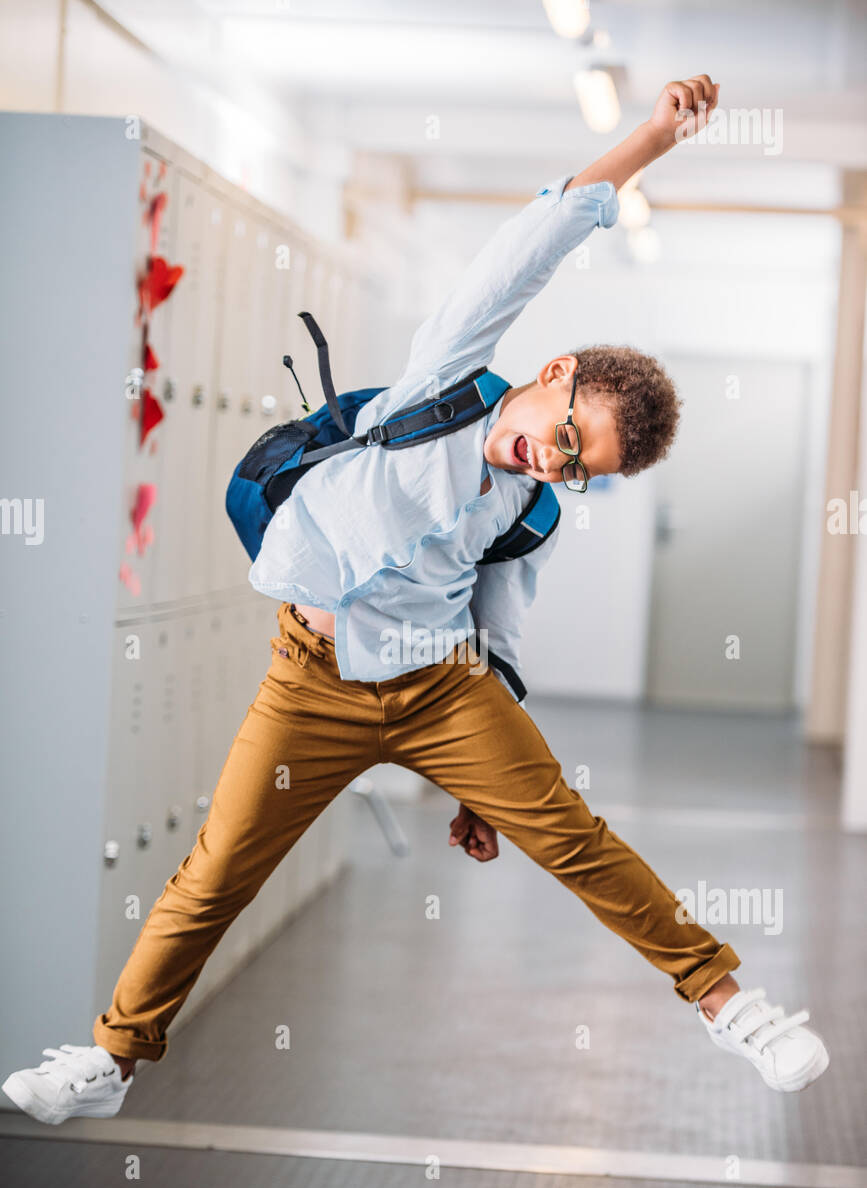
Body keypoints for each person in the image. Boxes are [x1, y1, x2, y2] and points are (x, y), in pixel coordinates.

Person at [2, 74, 828, 1127]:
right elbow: (536, 240)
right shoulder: (446, 375)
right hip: (310, 681)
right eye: (565, 430)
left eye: (578, 466)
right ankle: (111, 1060)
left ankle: (730, 1004)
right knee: (216, 872)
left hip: (442, 685)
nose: (554, 455)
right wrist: (654, 137)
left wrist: (482, 789)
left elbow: (504, 629)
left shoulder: (531, 510)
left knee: (571, 833)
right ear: (552, 372)